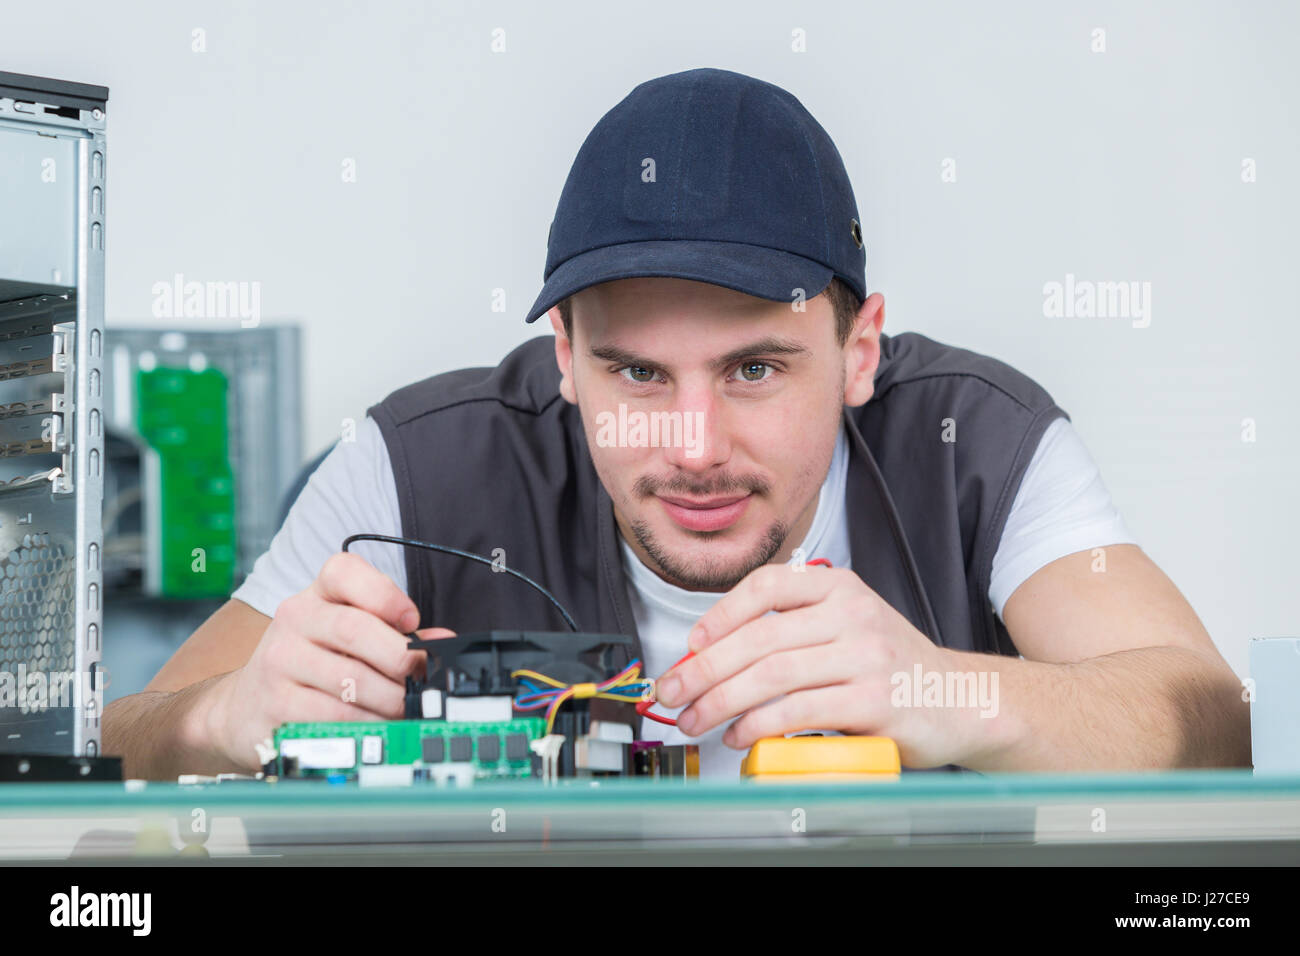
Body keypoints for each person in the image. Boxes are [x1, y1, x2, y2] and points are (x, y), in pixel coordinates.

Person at [103, 68, 1249, 780]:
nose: (691, 444)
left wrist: (944, 689)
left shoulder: (977, 444)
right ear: (563, 357)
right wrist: (222, 716)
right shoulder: (411, 464)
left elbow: (1211, 718)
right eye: (638, 373)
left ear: (860, 352)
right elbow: (114, 741)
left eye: (754, 367)